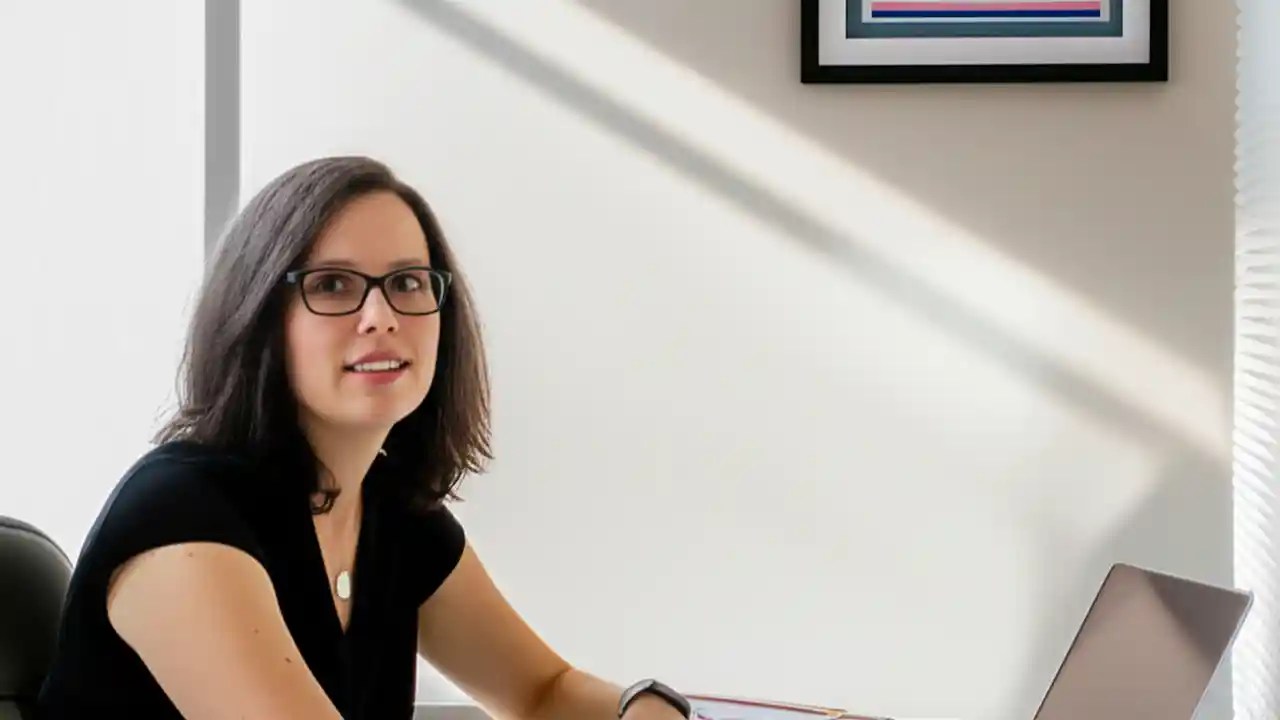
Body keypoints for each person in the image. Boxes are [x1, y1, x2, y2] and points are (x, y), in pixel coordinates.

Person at [36, 156, 693, 720]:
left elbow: (543, 691)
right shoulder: (179, 522)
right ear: (261, 316)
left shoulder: (392, 511)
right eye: (332, 285)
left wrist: (639, 704)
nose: (380, 318)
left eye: (408, 282)